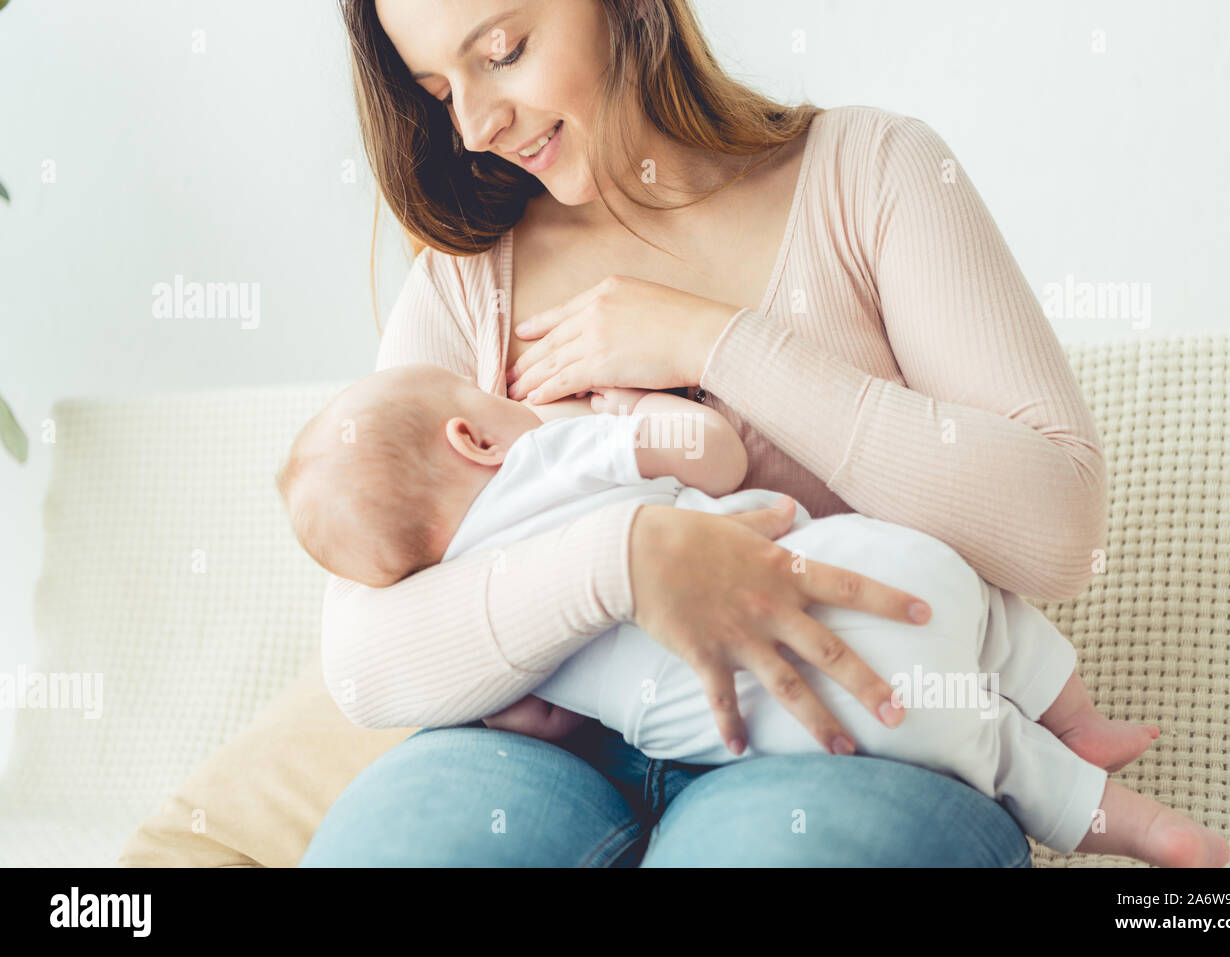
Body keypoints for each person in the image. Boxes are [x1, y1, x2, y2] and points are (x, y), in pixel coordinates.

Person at [304, 0, 1117, 866]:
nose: (474, 127)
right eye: (438, 91)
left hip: (843, 736)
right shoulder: (462, 284)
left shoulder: (870, 172)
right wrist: (624, 561)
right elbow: (360, 658)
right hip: (538, 764)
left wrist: (717, 342)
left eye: (504, 53)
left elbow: (1059, 531)